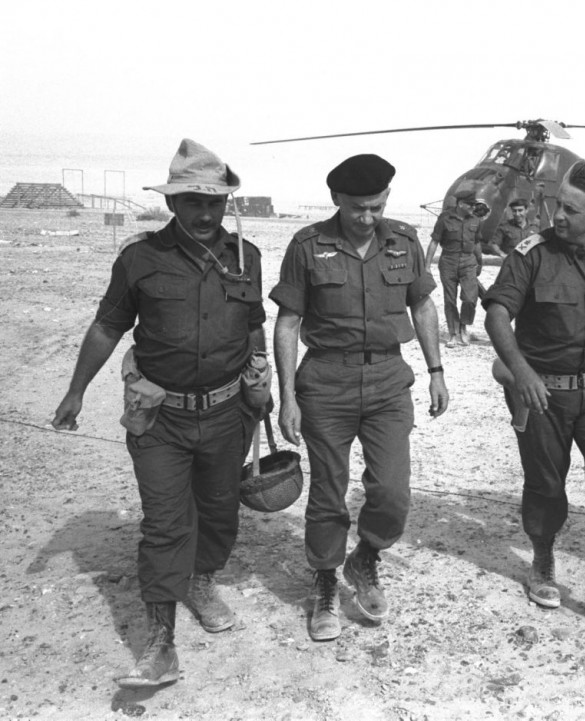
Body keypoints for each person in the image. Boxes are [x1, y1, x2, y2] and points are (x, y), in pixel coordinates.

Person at [51, 139, 267, 688]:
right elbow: (107, 326)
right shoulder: (140, 258)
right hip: (160, 418)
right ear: (172, 203)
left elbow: (253, 323)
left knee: (219, 512)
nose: (204, 213)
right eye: (192, 201)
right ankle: (161, 643)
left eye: (214, 202)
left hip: (226, 415)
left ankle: (202, 579)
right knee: (166, 523)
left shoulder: (248, 258)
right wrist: (76, 392)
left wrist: (261, 379)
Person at [271, 154, 449, 642]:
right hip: (326, 380)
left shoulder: (405, 240)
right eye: (356, 208)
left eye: (375, 206)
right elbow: (287, 322)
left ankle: (364, 557)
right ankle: (325, 579)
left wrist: (436, 370)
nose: (366, 217)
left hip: (390, 378)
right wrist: (286, 395)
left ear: (387, 199)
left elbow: (422, 303)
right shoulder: (308, 245)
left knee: (392, 491)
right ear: (336, 200)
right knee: (329, 489)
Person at [483, 161, 585, 629]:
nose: (558, 217)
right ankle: (542, 560)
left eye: (571, 211)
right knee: (546, 484)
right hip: (543, 395)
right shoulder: (533, 252)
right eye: (559, 205)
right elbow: (497, 313)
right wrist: (521, 372)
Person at [426, 188, 483, 347]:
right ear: (460, 204)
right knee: (450, 299)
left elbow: (477, 243)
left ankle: (463, 326)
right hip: (448, 262)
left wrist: (480, 261)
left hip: (468, 261)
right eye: (470, 204)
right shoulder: (444, 219)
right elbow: (434, 242)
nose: (473, 207)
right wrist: (427, 266)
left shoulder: (476, 220)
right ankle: (453, 333)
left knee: (470, 298)